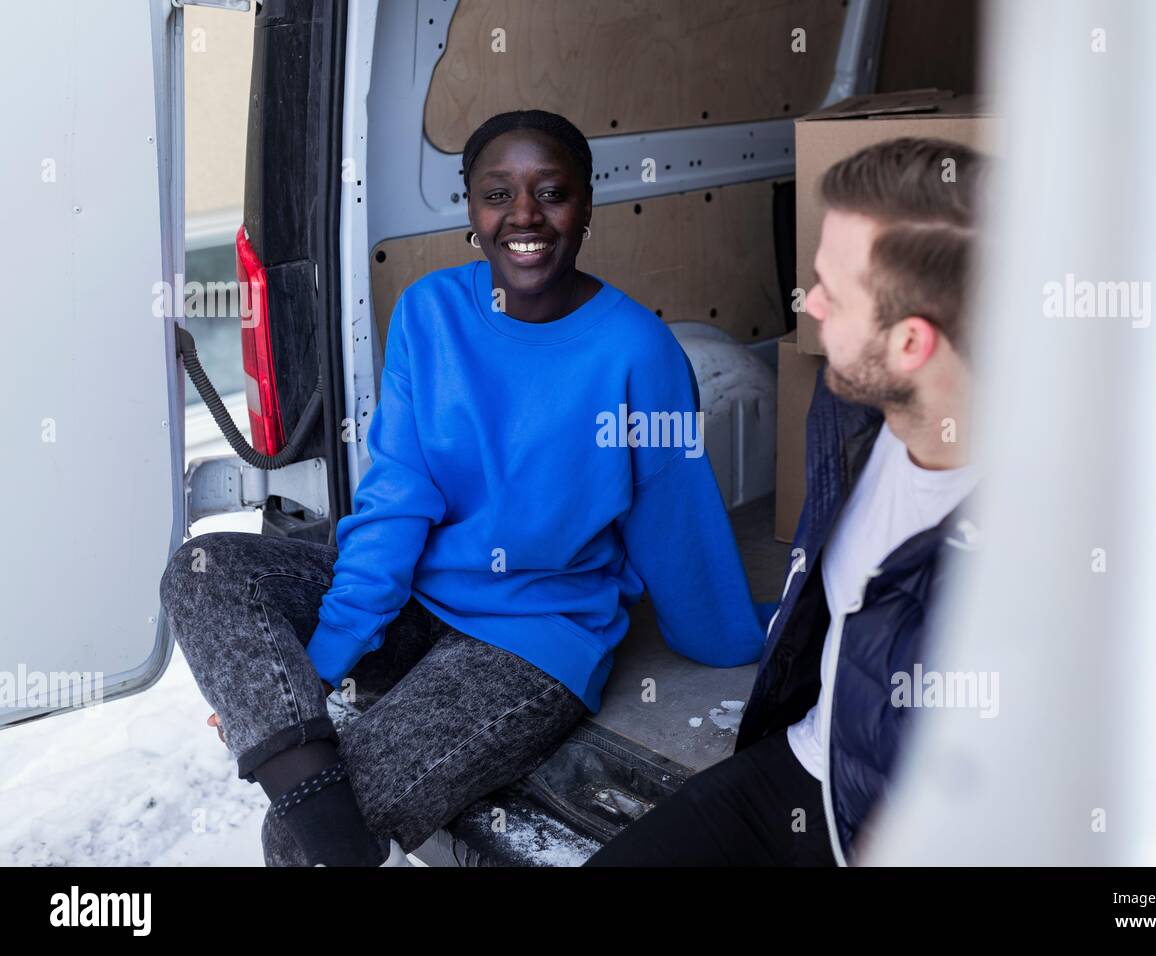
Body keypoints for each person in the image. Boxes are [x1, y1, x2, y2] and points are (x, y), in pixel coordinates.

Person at [159, 109, 767, 867]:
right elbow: (399, 497)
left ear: (587, 207)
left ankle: (316, 818)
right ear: (471, 211)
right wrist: (319, 667)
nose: (524, 216)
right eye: (497, 193)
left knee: (295, 835)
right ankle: (313, 793)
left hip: (532, 639)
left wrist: (742, 635)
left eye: (551, 193)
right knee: (203, 568)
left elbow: (675, 520)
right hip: (418, 600)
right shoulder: (430, 311)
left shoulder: (638, 351)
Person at [585, 137, 989, 866]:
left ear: (910, 344)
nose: (811, 302)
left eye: (833, 291)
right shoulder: (856, 417)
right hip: (810, 768)